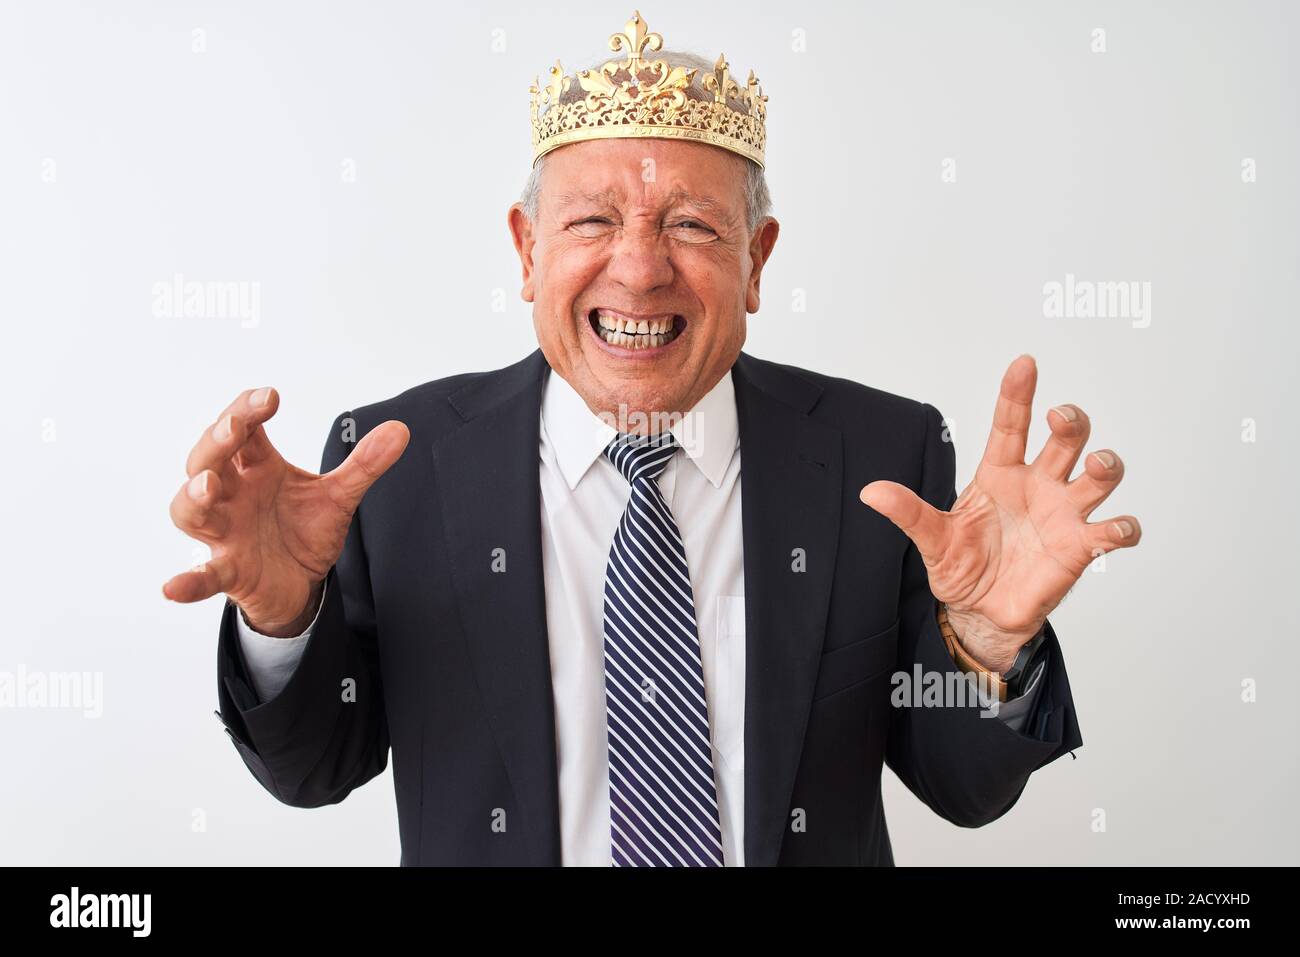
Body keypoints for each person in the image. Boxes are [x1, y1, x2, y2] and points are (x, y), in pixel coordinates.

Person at [164, 12, 1140, 866]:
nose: (637, 270)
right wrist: (282, 621)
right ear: (526, 248)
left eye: (690, 227)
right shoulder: (395, 461)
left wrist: (984, 643)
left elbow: (963, 788)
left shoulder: (881, 455)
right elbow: (316, 771)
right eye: (591, 220)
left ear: (756, 262)